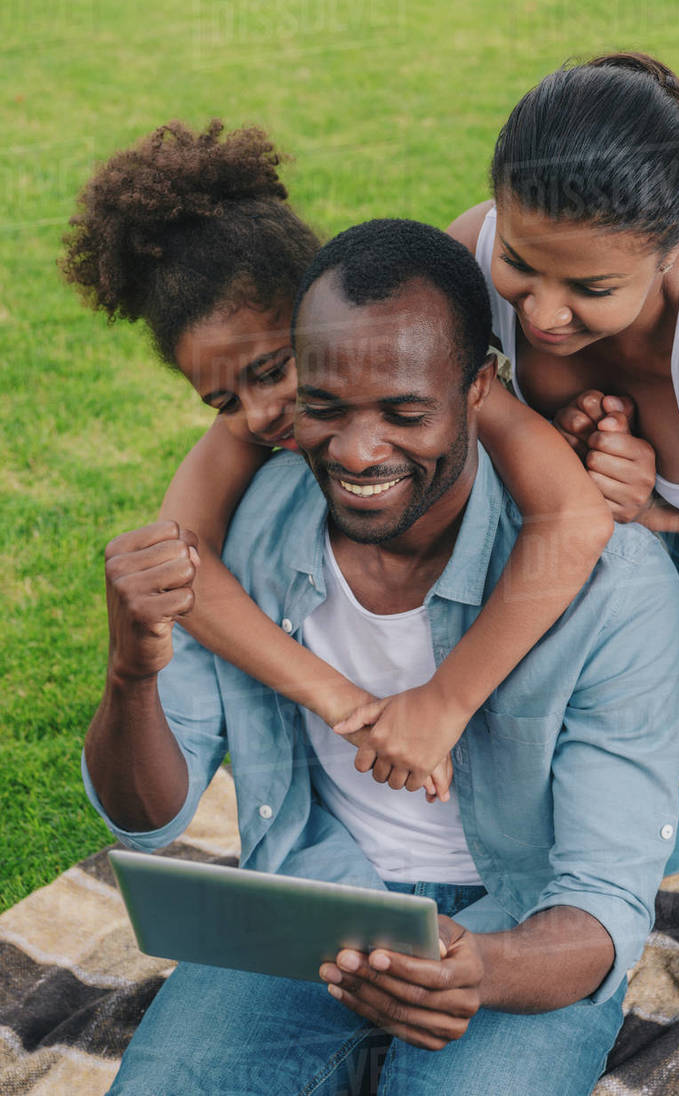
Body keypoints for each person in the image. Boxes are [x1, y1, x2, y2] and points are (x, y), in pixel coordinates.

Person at [84, 218, 679, 1096]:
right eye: (322, 408)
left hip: (519, 920)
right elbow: (148, 816)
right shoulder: (236, 535)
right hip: (309, 901)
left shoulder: (612, 587)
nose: (358, 451)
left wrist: (485, 968)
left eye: (404, 413)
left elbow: (600, 899)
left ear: (479, 387)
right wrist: (130, 676)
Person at [61, 119, 611, 802]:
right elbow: (183, 569)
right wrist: (342, 703)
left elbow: (574, 517)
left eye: (271, 370)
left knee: (576, 749)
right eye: (220, 400)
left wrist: (446, 700)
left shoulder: (435, 372)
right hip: (385, 709)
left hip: (534, 636)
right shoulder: (251, 427)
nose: (259, 414)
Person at [448, 52, 679, 865]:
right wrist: (552, 448)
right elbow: (412, 398)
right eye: (521, 265)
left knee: (574, 823)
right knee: (519, 764)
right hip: (676, 563)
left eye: (589, 290)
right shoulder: (470, 251)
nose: (540, 313)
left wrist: (664, 509)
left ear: (675, 245)